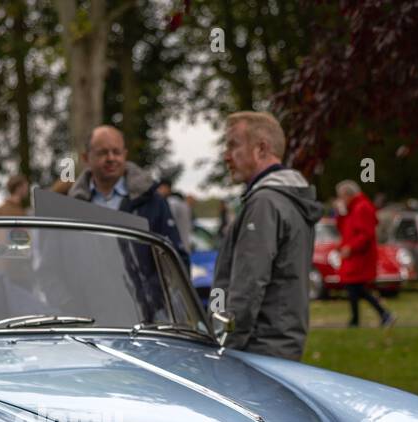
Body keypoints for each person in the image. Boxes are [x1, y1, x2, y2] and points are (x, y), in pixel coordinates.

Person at [212, 110, 324, 360]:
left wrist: (223, 344)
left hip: (257, 351)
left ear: (261, 149)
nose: (226, 156)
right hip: (280, 347)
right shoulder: (288, 199)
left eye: (233, 145)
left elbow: (248, 285)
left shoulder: (265, 203)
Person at [67, 125, 188, 264]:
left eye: (116, 152)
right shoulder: (69, 205)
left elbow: (175, 261)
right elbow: (54, 263)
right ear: (85, 157)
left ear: (125, 154)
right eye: (102, 152)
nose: (111, 158)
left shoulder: (152, 201)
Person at [334, 180, 395, 328]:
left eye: (341, 197)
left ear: (347, 195)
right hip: (353, 255)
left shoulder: (361, 208)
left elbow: (365, 234)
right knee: (355, 288)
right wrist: (341, 214)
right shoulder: (352, 209)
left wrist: (351, 247)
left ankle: (365, 318)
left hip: (359, 256)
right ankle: (364, 318)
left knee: (355, 287)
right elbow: (343, 229)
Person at [158, 177, 193, 253]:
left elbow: (167, 223)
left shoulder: (172, 203)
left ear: (166, 188)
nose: (158, 191)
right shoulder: (183, 204)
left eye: (160, 188)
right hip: (183, 247)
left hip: (176, 249)